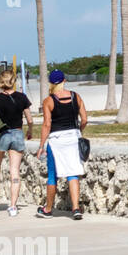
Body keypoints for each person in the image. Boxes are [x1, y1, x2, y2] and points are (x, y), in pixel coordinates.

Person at [35, 70, 88, 220]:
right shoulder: (75, 96)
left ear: (51, 83)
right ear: (65, 80)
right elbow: (84, 119)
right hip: (73, 138)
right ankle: (76, 209)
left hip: (56, 140)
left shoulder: (49, 101)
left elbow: (46, 124)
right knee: (73, 173)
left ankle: (48, 209)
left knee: (52, 176)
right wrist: (78, 131)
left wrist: (41, 146)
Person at [0, 69, 33, 216]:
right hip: (17, 133)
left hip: (1, 135)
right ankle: (13, 207)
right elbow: (29, 119)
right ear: (13, 81)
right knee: (15, 170)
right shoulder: (22, 97)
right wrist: (30, 131)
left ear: (0, 81)